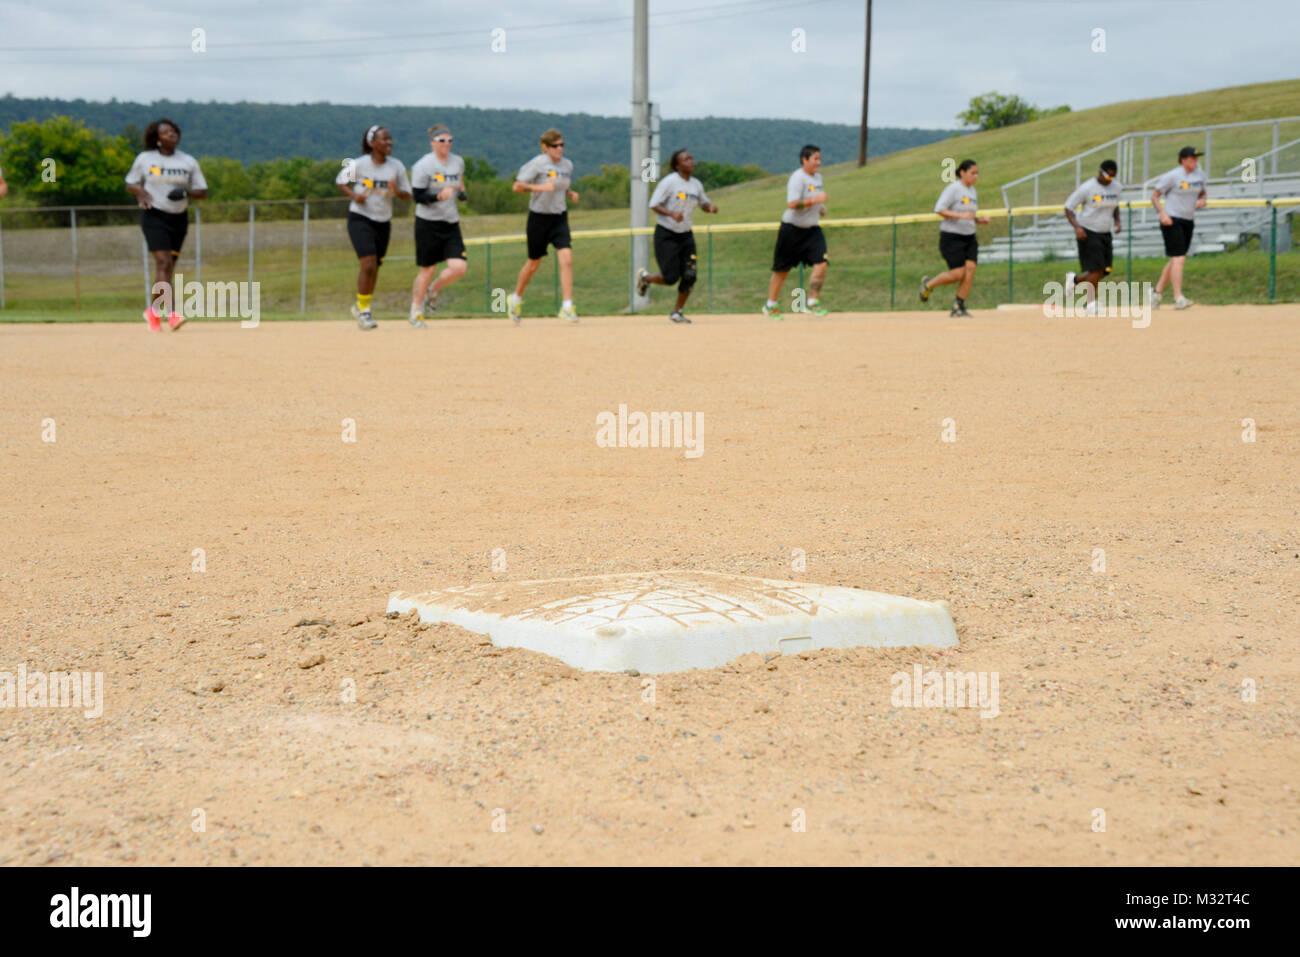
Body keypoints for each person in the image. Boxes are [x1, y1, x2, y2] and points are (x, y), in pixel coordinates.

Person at [124, 118, 208, 331]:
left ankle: (152, 312)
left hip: (178, 218)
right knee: (163, 263)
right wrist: (141, 191)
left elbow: (203, 191)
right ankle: (171, 314)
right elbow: (130, 183)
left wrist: (187, 192)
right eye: (166, 132)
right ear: (157, 138)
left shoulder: (187, 161)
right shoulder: (146, 159)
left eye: (173, 131)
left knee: (168, 268)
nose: (171, 134)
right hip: (154, 215)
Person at [335, 125, 411, 330]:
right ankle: (365, 311)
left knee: (374, 267)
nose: (389, 143)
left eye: (390, 139)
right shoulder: (360, 165)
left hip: (383, 221)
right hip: (360, 217)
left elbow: (407, 196)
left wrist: (397, 191)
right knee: (367, 263)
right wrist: (355, 196)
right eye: (384, 139)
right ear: (372, 143)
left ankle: (361, 305)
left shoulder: (396, 166)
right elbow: (340, 181)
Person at [636, 149, 718, 323]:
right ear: (677, 165)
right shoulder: (669, 183)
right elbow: (654, 204)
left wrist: (709, 208)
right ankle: (645, 278)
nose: (691, 161)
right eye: (686, 159)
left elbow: (703, 202)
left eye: (691, 158)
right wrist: (671, 213)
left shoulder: (696, 185)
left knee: (690, 274)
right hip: (666, 235)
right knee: (671, 278)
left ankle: (677, 312)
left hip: (686, 236)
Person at [507, 129, 580, 323]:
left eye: (562, 145)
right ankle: (515, 299)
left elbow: (560, 184)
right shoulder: (537, 164)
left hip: (559, 217)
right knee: (533, 264)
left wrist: (570, 193)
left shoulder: (567, 165)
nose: (560, 149)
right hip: (538, 218)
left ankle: (567, 306)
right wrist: (540, 188)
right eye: (555, 146)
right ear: (546, 148)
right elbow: (517, 186)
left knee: (566, 259)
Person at [408, 124, 468, 328]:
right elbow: (417, 196)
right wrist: (437, 196)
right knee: (428, 268)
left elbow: (459, 182)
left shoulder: (457, 162)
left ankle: (432, 291)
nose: (447, 144)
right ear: (433, 142)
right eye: (442, 140)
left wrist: (462, 193)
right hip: (428, 223)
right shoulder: (423, 165)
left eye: (450, 140)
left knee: (459, 267)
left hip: (450, 222)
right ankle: (416, 310)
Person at [762, 144, 829, 319]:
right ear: (804, 160)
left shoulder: (818, 178)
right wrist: (815, 200)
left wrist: (820, 207)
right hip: (792, 229)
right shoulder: (797, 178)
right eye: (815, 158)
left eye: (819, 158)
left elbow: (815, 197)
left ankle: (813, 302)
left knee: (822, 263)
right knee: (782, 270)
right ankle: (771, 304)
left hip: (812, 230)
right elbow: (792, 204)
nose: (818, 162)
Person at [920, 159, 989, 318]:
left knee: (970, 270)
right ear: (962, 172)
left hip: (969, 236)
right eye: (972, 173)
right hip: (952, 237)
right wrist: (960, 215)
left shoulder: (973, 191)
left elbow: (969, 213)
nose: (976, 176)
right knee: (958, 274)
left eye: (977, 173)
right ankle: (929, 284)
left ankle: (958, 306)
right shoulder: (953, 189)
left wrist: (979, 220)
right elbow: (939, 209)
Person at [1063, 159, 1122, 316]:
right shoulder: (1088, 188)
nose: (1110, 180)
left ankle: (1074, 281)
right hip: (1088, 231)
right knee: (1095, 270)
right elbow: (1068, 208)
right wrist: (1077, 227)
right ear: (1100, 172)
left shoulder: (1116, 188)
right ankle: (1090, 304)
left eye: (1113, 177)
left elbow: (1115, 205)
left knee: (1105, 270)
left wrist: (1117, 221)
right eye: (1108, 176)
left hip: (1105, 232)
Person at [1151, 146, 1207, 310]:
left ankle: (1156, 292)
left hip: (1188, 219)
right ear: (1183, 160)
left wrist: (1202, 200)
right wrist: (1162, 214)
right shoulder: (1173, 176)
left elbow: (1202, 192)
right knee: (1179, 259)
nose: (1195, 161)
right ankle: (1178, 298)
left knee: (1176, 259)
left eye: (1197, 158)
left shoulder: (1200, 175)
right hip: (1171, 219)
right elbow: (1154, 196)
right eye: (1192, 158)